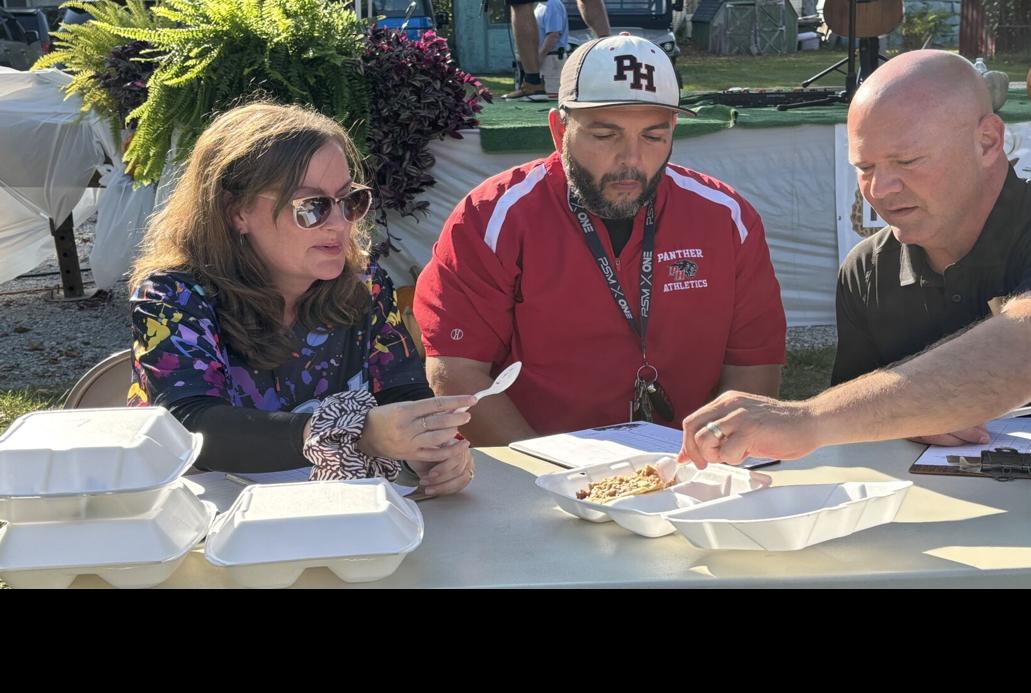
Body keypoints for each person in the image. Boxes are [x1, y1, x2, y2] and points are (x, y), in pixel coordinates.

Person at [673, 49, 1031, 486]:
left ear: (988, 142)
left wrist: (810, 419)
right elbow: (864, 417)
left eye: (907, 162)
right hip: (959, 504)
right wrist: (907, 416)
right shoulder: (867, 270)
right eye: (866, 168)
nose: (880, 191)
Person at [415, 33, 787, 445]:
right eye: (605, 135)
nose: (631, 160)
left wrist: (703, 465)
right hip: (537, 467)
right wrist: (548, 479)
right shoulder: (491, 217)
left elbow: (753, 367)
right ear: (559, 130)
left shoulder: (727, 217)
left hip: (685, 472)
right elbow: (457, 374)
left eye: (653, 136)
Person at [127, 101, 476, 495]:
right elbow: (191, 426)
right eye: (312, 206)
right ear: (236, 211)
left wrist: (432, 450)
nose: (340, 223)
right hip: (204, 525)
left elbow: (401, 390)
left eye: (350, 201)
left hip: (335, 520)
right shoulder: (172, 295)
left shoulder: (365, 285)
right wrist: (355, 431)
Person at [503, 0, 609, 101]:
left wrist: (540, 56)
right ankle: (610, 59)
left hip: (550, 58)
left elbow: (554, 35)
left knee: (522, 4)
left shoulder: (553, 4)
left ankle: (533, 83)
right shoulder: (541, 7)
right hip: (547, 57)